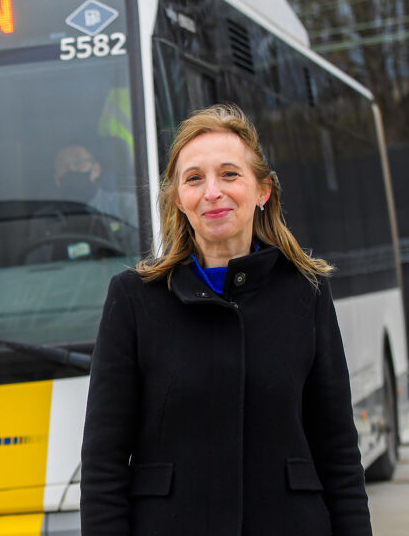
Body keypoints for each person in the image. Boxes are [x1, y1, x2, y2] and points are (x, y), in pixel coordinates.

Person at [80, 104, 372, 535]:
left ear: (262, 191)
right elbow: (103, 464)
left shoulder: (305, 292)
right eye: (194, 178)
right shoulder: (134, 299)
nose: (212, 191)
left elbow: (339, 453)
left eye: (230, 174)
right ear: (179, 199)